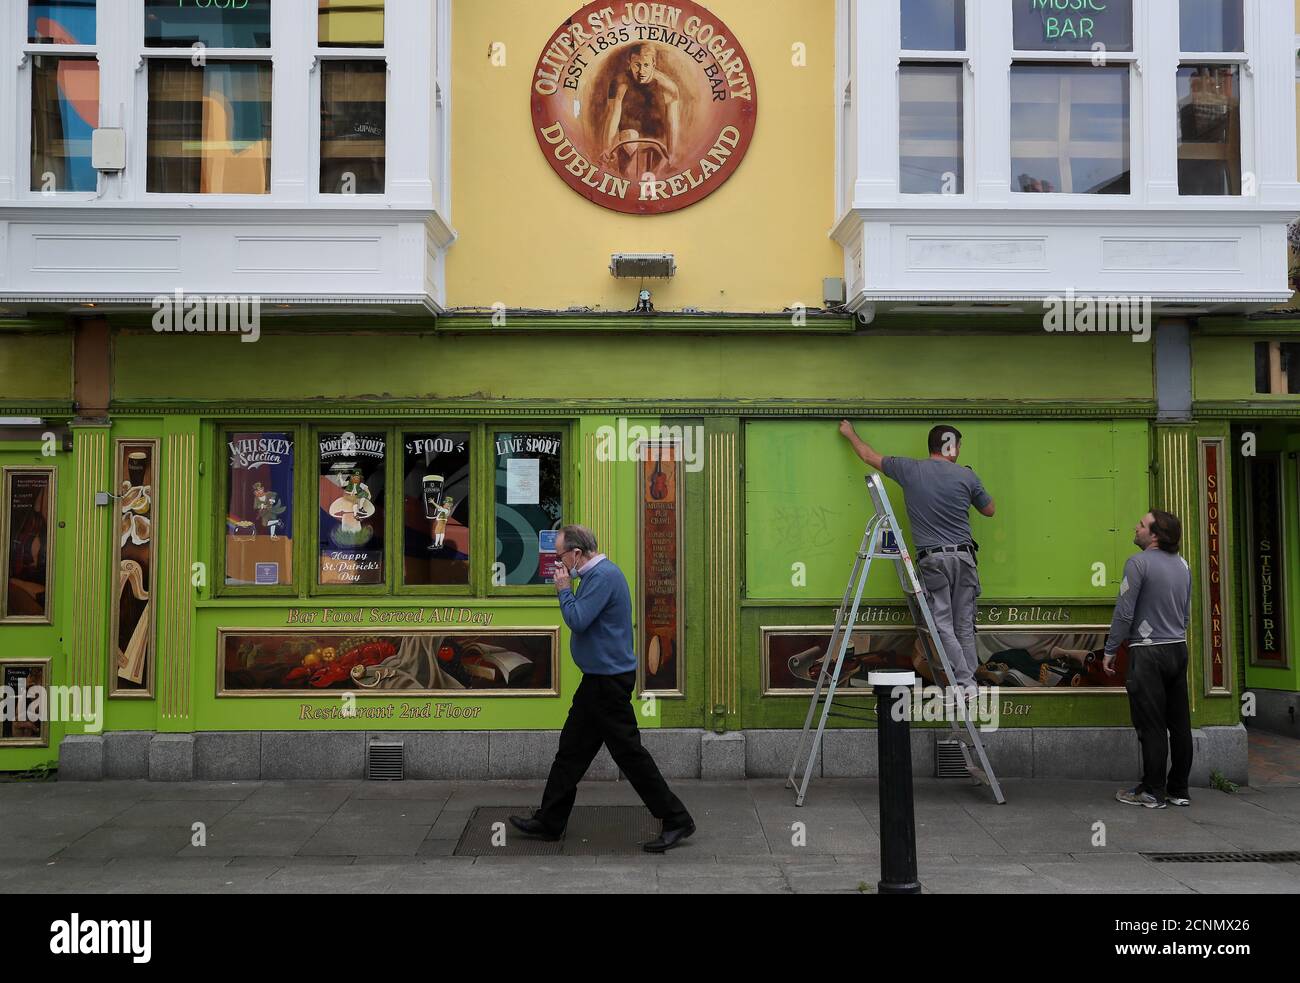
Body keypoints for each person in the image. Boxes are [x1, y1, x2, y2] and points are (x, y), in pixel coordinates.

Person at [511, 525, 695, 853]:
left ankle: (677, 819)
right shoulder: (597, 576)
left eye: (560, 555)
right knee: (571, 751)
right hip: (598, 680)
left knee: (630, 756)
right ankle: (550, 820)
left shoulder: (602, 578)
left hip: (607, 684)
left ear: (577, 554)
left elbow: (578, 619)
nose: (559, 562)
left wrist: (564, 590)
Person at [838, 421, 995, 697]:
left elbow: (868, 456)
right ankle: (968, 682)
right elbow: (989, 510)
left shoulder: (909, 469)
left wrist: (850, 433)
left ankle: (965, 684)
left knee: (943, 623)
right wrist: (969, 480)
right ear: (952, 447)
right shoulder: (966, 477)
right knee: (963, 625)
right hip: (964, 557)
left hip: (933, 560)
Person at [1104, 510, 1193, 809]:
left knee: (1151, 724)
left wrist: (1111, 649)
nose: (1136, 527)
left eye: (1141, 524)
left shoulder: (1137, 563)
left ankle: (1153, 791)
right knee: (1180, 724)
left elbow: (1124, 612)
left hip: (1148, 650)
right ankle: (1179, 789)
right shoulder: (1183, 565)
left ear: (1154, 535)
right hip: (1178, 648)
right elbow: (1185, 614)